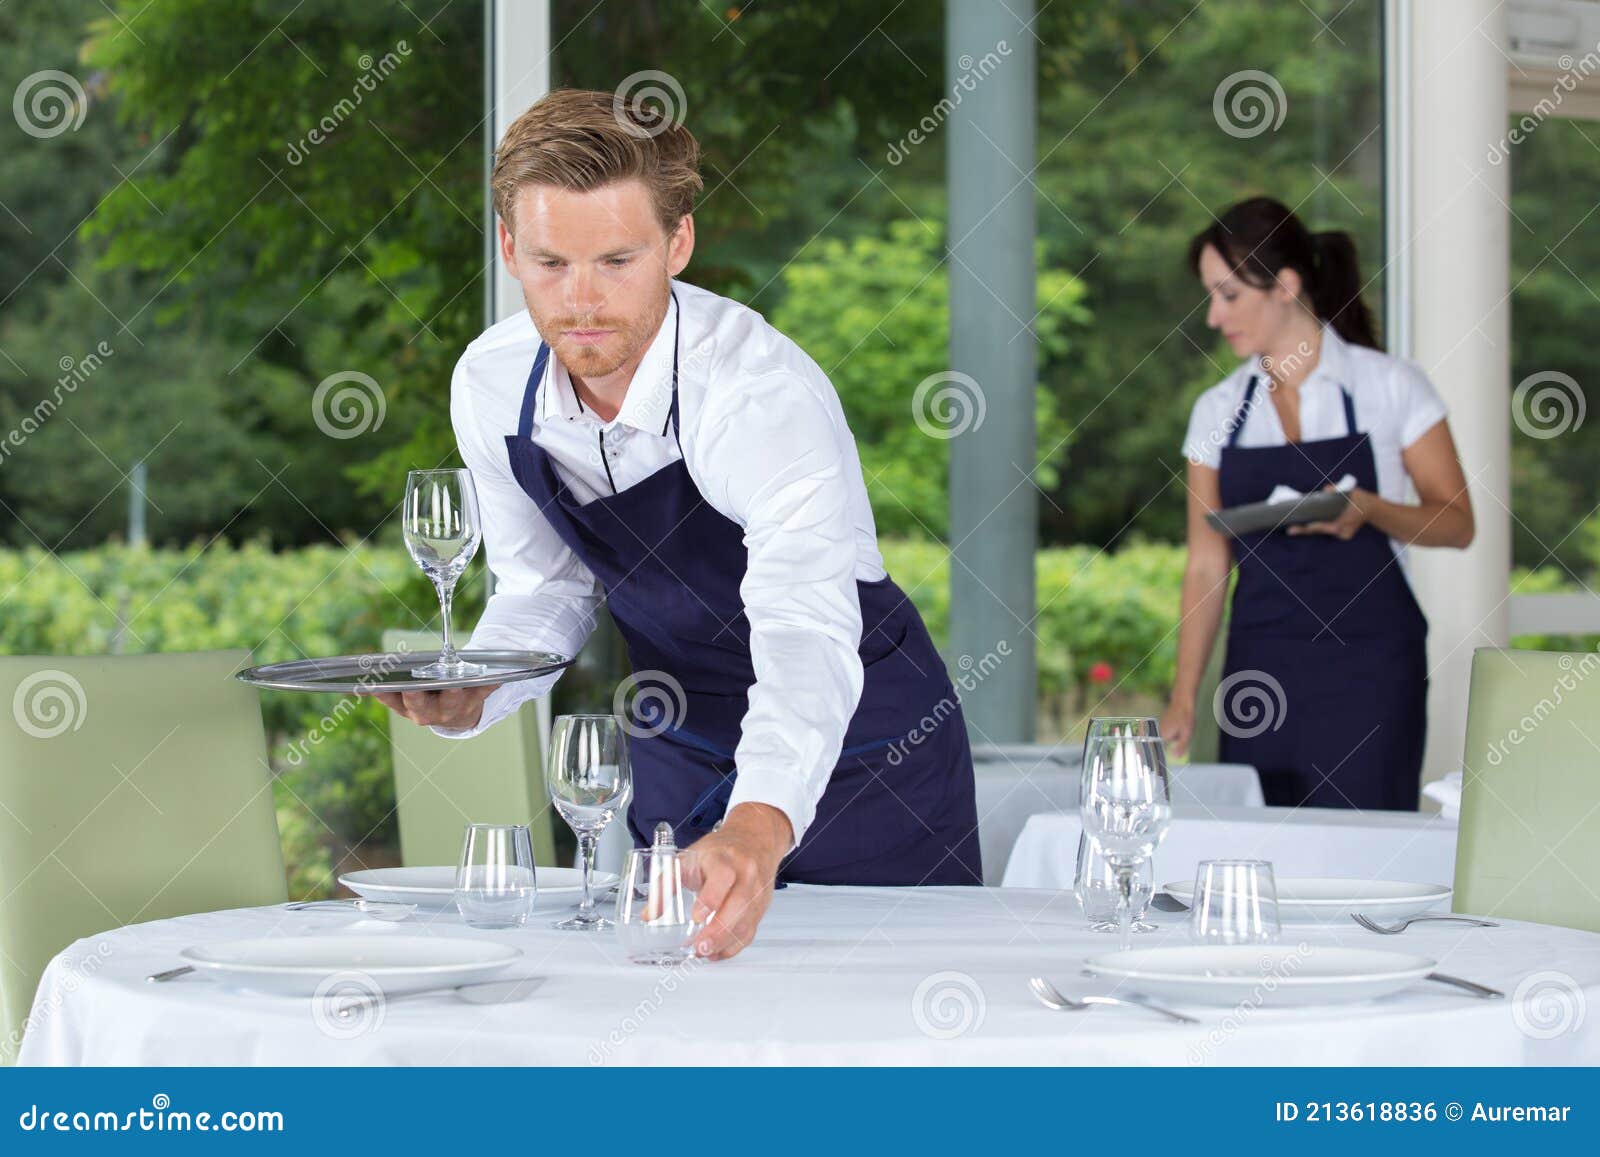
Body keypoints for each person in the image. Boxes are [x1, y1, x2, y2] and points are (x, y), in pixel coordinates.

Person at [377, 89, 982, 960]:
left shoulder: (758, 394)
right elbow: (545, 585)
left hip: (869, 750)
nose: (582, 300)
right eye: (551, 263)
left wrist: (760, 820)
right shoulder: (490, 384)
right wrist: (484, 683)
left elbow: (805, 628)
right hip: (680, 742)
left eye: (618, 261)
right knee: (674, 1007)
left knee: (883, 1014)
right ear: (509, 249)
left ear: (678, 243)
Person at [1160, 197, 1474, 811]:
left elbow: (1457, 523)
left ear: (1285, 285)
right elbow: (1205, 563)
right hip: (1259, 668)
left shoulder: (1391, 387)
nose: (1214, 317)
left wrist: (1369, 509)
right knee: (1261, 846)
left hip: (1371, 666)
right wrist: (1183, 695)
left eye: (1228, 295)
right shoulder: (1216, 410)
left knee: (1366, 847)